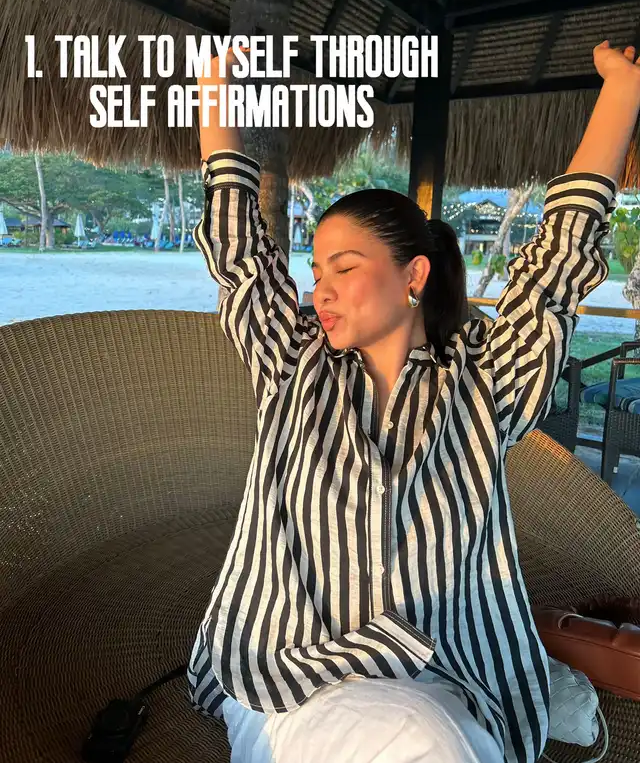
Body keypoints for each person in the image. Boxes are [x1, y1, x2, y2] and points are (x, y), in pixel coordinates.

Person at [187, 41, 640, 763]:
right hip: (292, 676)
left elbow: (557, 266)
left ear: (414, 276)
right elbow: (239, 254)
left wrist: (622, 91)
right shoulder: (292, 361)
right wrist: (215, 85)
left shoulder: (485, 383)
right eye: (315, 271)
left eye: (343, 267)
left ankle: (532, 683)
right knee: (420, 741)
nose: (320, 290)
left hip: (444, 668)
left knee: (431, 737)